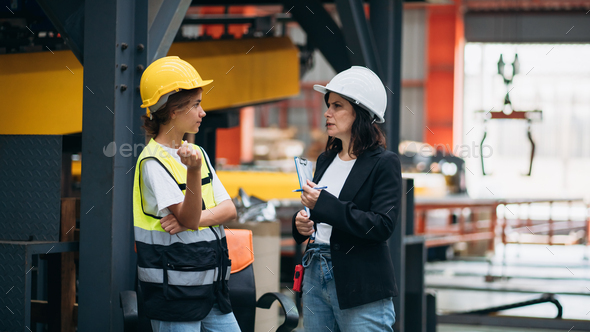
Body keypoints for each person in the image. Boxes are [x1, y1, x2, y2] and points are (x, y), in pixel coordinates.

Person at [132, 56, 240, 332]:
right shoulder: (153, 162)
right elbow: (193, 218)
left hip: (212, 290)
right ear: (173, 110)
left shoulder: (198, 153)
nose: (203, 112)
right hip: (175, 294)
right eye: (196, 104)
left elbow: (230, 210)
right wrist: (193, 173)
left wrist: (192, 219)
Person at [292, 66, 402, 331]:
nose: (327, 113)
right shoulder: (326, 159)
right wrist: (302, 225)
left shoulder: (384, 163)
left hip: (359, 281)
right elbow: (319, 216)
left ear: (360, 113)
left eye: (338, 106)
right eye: (329, 105)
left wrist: (324, 204)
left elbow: (381, 225)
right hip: (315, 271)